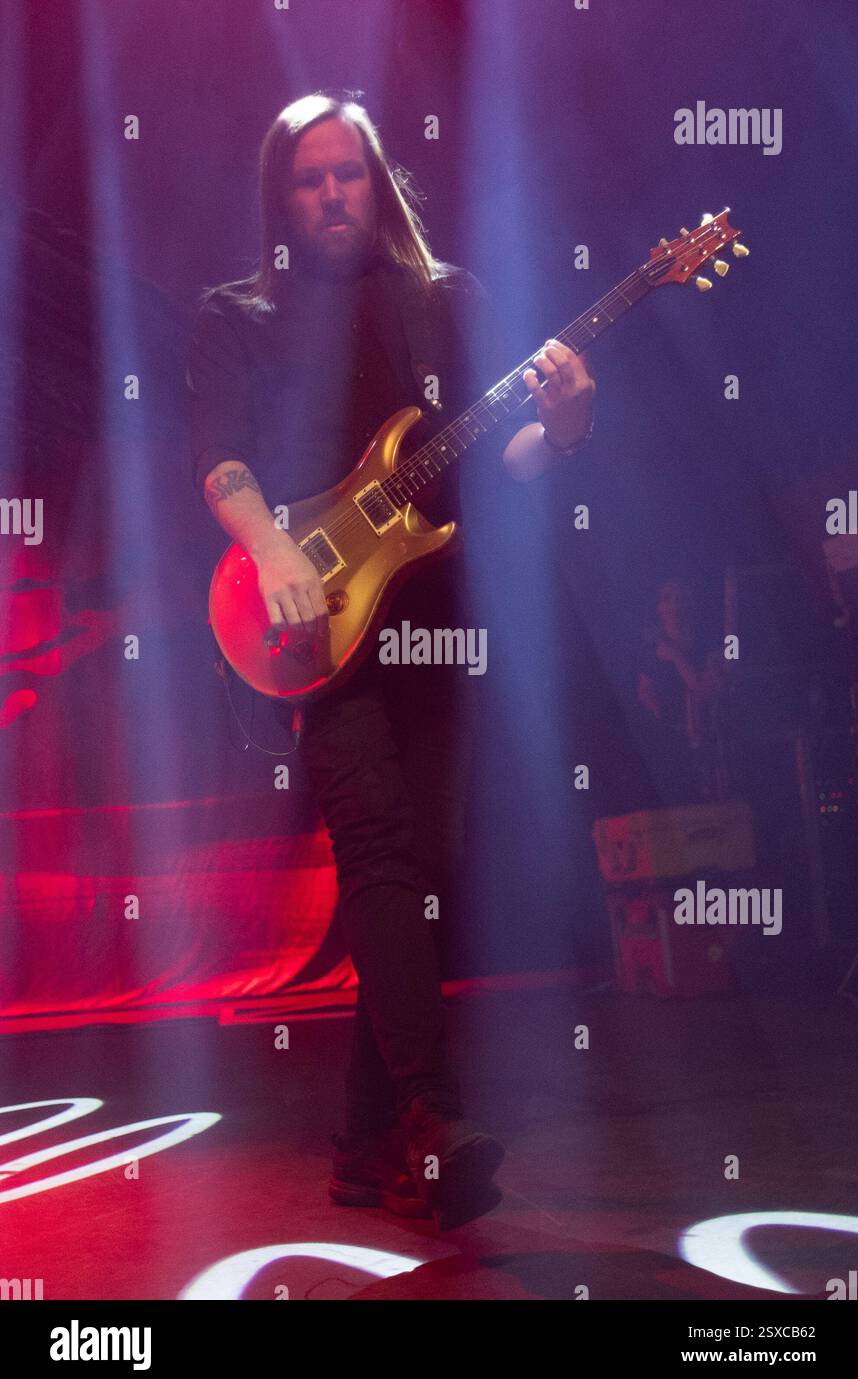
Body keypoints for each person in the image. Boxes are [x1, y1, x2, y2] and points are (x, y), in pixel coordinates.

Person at [186, 92, 595, 1229]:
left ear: (378, 182)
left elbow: (493, 466)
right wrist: (271, 545)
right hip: (315, 630)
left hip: (437, 621)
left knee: (421, 869)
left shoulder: (442, 301)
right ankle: (429, 1113)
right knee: (376, 850)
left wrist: (562, 428)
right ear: (282, 192)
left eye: (347, 175)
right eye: (309, 179)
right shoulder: (240, 313)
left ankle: (362, 1144)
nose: (329, 195)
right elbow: (215, 456)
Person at [637, 579, 726, 803]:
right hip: (672, 740)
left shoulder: (706, 643)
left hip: (710, 736)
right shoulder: (651, 649)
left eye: (680, 597)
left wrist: (677, 658)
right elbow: (644, 689)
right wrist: (656, 711)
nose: (674, 603)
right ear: (659, 607)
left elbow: (704, 689)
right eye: (668, 597)